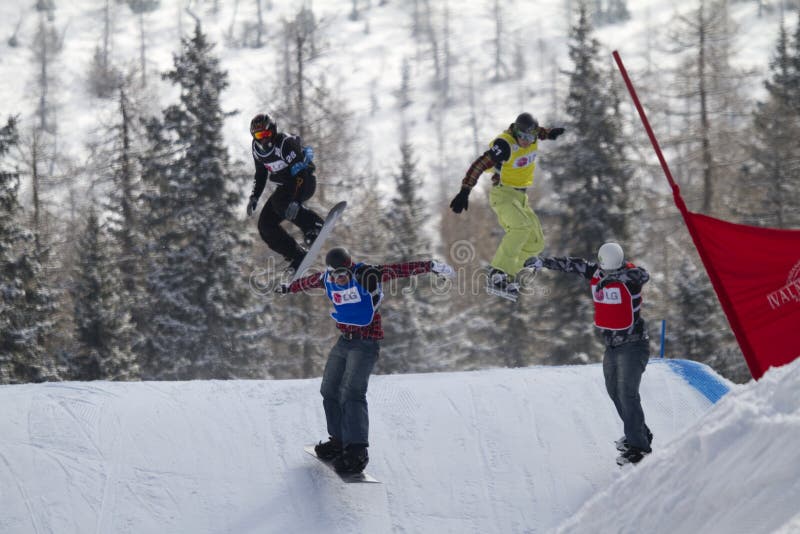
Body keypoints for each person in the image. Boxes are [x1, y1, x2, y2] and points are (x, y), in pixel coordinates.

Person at [277, 246, 455, 474]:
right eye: (335, 275)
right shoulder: (327, 279)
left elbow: (400, 270)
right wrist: (289, 287)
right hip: (344, 341)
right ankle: (339, 441)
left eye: (343, 275)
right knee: (329, 389)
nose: (339, 280)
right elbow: (309, 282)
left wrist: (430, 266)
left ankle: (357, 452)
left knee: (352, 392)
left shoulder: (366, 274)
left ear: (350, 269)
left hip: (366, 343)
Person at [526, 242, 654, 465]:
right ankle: (640, 433)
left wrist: (616, 278)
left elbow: (642, 275)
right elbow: (573, 265)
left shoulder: (630, 276)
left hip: (634, 345)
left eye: (611, 271)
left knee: (627, 393)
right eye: (606, 270)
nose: (607, 274)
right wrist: (543, 261)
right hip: (612, 346)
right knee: (614, 391)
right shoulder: (596, 272)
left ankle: (639, 447)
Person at [450, 112, 565, 297]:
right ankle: (497, 273)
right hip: (503, 194)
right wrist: (465, 191)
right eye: (522, 136)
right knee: (520, 228)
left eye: (530, 137)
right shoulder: (505, 145)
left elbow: (540, 132)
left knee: (536, 243)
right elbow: (480, 164)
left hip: (520, 197)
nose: (526, 141)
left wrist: (550, 133)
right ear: (515, 131)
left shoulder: (534, 136)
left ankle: (508, 274)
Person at [247, 113, 325, 273]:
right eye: (259, 136)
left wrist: (296, 201)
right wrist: (254, 196)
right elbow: (260, 174)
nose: (263, 140)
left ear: (273, 131)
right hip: (285, 188)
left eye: (266, 134)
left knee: (281, 203)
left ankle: (314, 225)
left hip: (304, 181)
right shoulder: (257, 150)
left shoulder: (285, 144)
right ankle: (296, 255)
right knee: (265, 225)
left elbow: (301, 174)